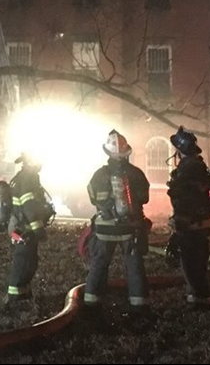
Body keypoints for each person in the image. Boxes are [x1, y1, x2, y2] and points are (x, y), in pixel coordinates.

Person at [84, 130, 151, 311]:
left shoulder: (99, 175)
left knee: (99, 263)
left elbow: (92, 197)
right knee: (134, 263)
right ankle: (139, 303)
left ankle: (91, 301)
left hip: (105, 229)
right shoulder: (136, 174)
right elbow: (145, 198)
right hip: (130, 227)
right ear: (126, 152)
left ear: (108, 153)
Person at [167, 126, 210, 310]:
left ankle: (204, 302)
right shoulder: (199, 166)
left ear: (180, 150)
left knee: (191, 266)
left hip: (191, 225)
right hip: (201, 223)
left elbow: (185, 199)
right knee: (198, 264)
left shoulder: (188, 169)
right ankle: (197, 300)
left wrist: (178, 223)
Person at [5, 152, 53, 306]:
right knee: (23, 262)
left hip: (21, 226)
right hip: (24, 228)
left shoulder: (24, 177)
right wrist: (38, 229)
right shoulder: (27, 179)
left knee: (29, 262)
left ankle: (23, 295)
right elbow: (29, 206)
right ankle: (13, 299)